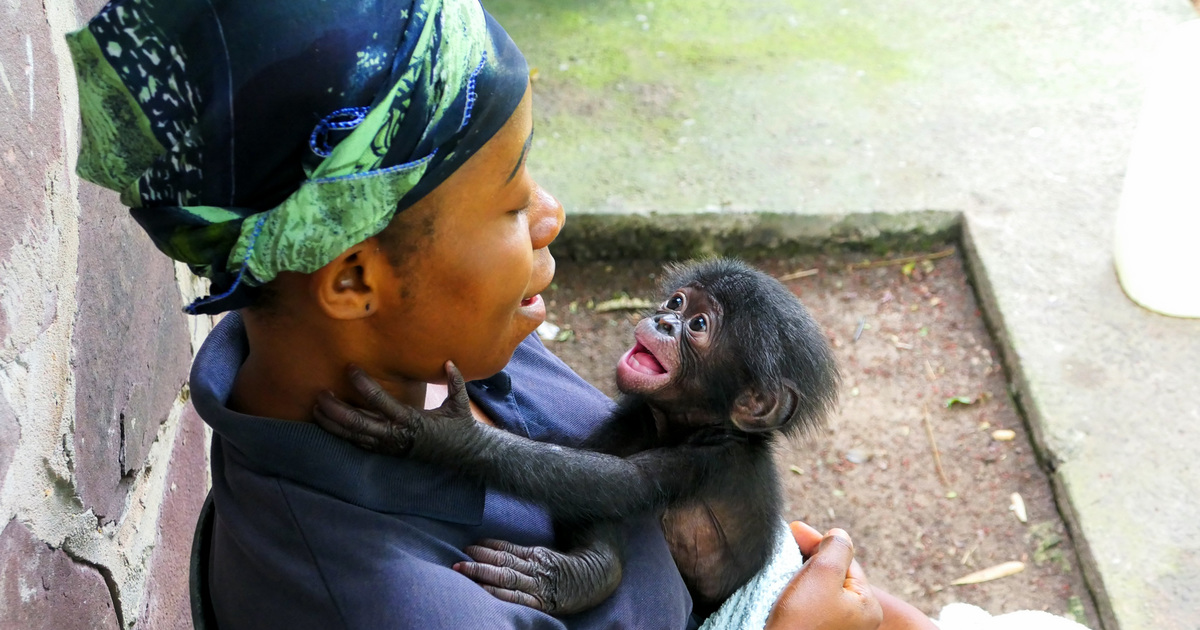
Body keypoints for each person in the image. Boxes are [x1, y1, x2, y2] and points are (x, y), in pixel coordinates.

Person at [67, 0, 938, 628]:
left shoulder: (457, 348)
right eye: (513, 202)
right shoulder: (388, 603)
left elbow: (651, 489)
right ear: (356, 276)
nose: (552, 214)